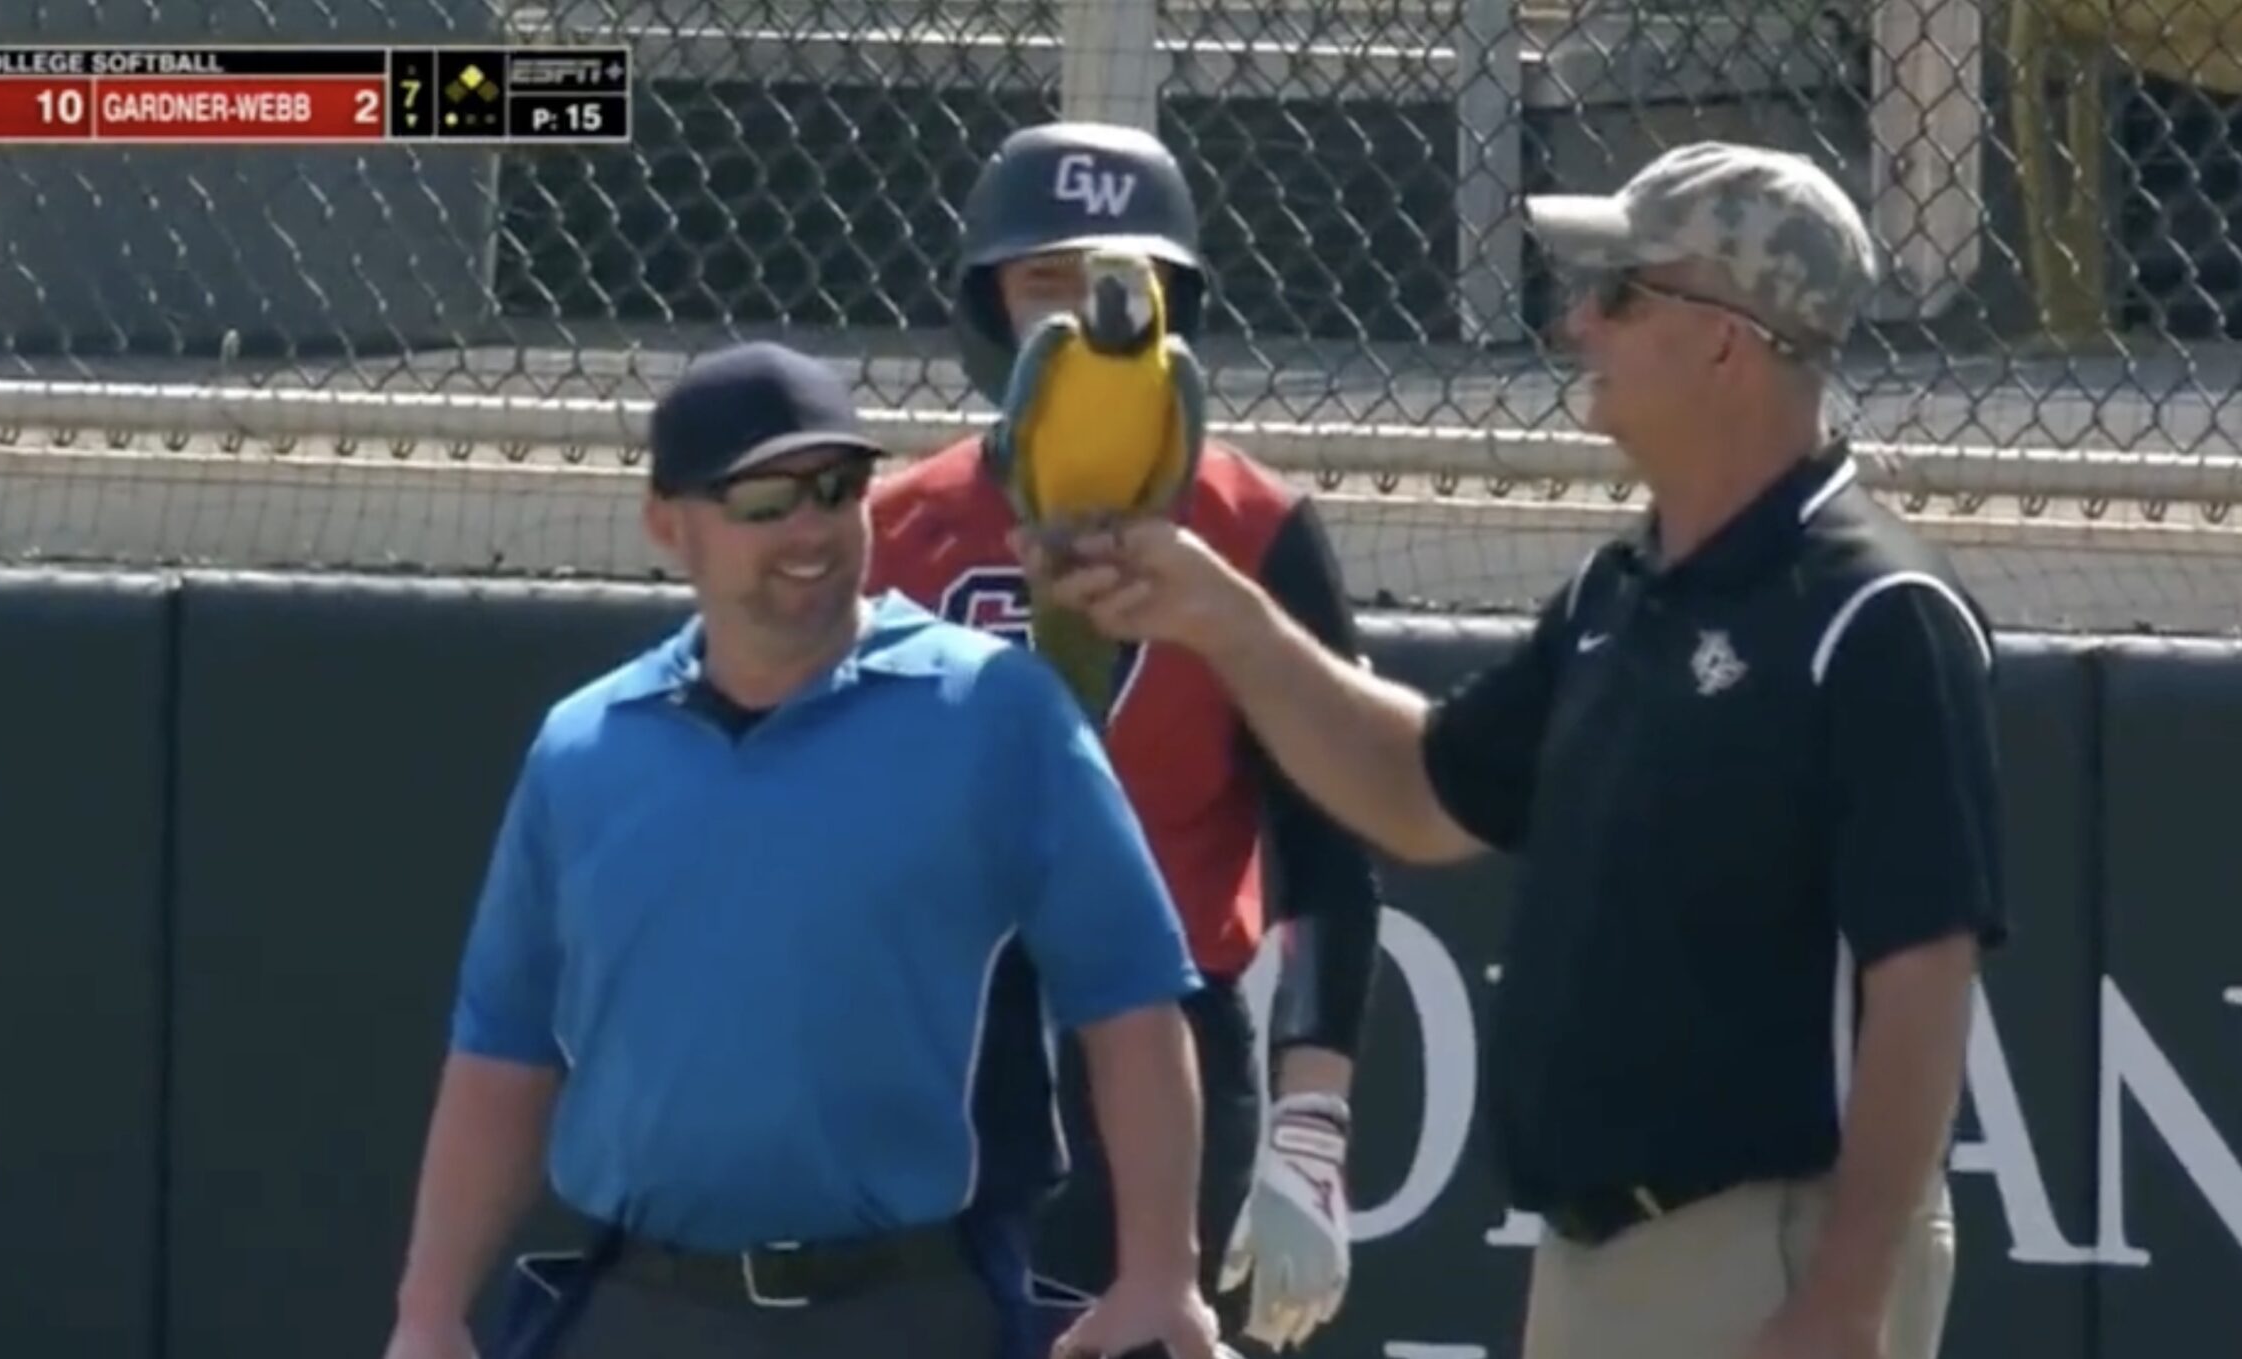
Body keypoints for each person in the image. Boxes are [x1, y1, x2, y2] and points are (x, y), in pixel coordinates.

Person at [1017, 141, 2008, 1359]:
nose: (1578, 323)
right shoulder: (1626, 586)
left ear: (1722, 342)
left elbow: (1923, 982)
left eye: (1622, 292)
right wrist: (1216, 615)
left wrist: (1844, 1302)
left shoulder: (1874, 613)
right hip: (1600, 1259)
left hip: (1772, 1264)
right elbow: (1424, 793)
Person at [377, 340, 1227, 1359]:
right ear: (667, 522)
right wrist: (428, 1314)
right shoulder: (583, 749)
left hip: (910, 1312)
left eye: (835, 489)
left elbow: (1129, 997)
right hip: (641, 1311)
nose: (811, 530)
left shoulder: (997, 712)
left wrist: (1161, 1275)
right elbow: (504, 1047)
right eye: (764, 501)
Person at [866, 120, 1383, 1353]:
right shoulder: (897, 527)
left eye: (1103, 276)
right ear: (985, 304)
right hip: (924, 1037)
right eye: (1039, 278)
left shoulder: (1249, 526)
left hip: (1160, 1053)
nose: (1068, 310)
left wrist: (1312, 1127)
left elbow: (1330, 840)